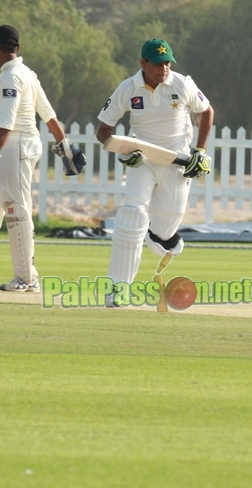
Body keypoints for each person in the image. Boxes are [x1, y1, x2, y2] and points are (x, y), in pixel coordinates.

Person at [0, 25, 85, 292]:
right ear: (17, 48)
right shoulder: (27, 74)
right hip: (18, 146)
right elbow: (49, 115)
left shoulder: (12, 77)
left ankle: (27, 278)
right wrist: (65, 144)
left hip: (15, 147)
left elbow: (6, 125)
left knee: (16, 209)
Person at [95, 38, 214, 306]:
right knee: (132, 214)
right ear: (143, 63)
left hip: (177, 161)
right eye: (159, 64)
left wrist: (200, 151)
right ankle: (118, 290)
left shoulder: (182, 83)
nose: (165, 68)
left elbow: (207, 111)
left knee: (165, 235)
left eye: (168, 63)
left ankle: (154, 234)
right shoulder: (128, 88)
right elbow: (103, 130)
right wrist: (124, 151)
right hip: (143, 160)